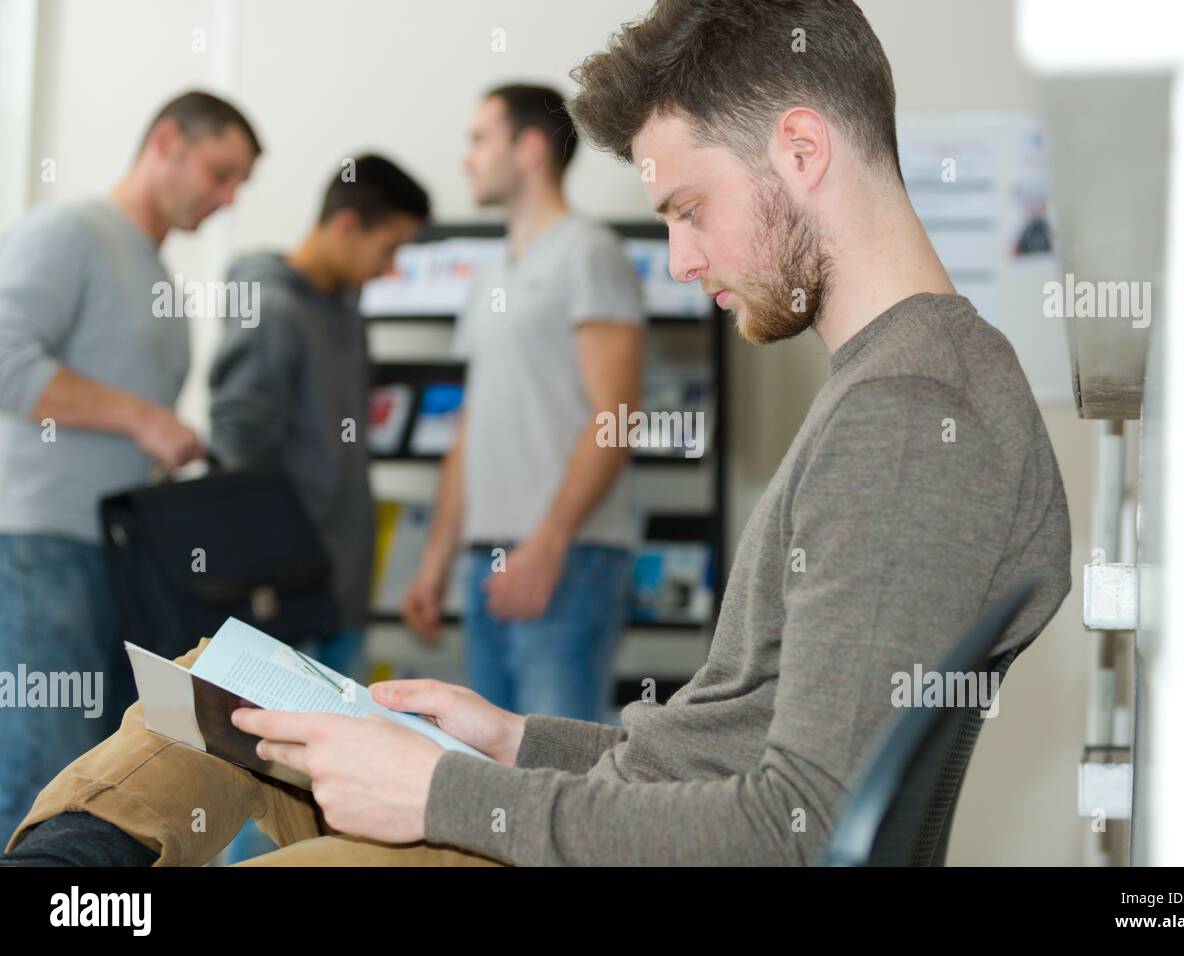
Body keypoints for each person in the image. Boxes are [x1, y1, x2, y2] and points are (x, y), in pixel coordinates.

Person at [4, 0, 1071, 867]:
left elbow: (793, 828)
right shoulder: (898, 388)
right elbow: (730, 751)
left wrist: (449, 793)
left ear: (800, 148)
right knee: (221, 683)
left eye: (689, 208)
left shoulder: (906, 418)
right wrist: (513, 741)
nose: (683, 258)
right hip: (582, 819)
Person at [0, 90, 259, 844]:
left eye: (240, 183)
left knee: (113, 776)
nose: (228, 196)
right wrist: (145, 418)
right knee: (41, 773)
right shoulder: (68, 231)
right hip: (43, 547)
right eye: (221, 172)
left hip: (118, 562)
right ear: (168, 142)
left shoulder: (156, 275)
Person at [207, 154, 431, 862]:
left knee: (325, 797)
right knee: (261, 789)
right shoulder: (271, 305)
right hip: (284, 604)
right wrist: (268, 583)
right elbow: (238, 452)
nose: (392, 267)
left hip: (341, 593)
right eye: (388, 247)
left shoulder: (346, 314)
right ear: (344, 225)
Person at [400, 84, 645, 723]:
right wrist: (434, 562)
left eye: (480, 139)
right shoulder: (491, 278)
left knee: (554, 772)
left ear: (530, 147)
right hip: (491, 561)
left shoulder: (588, 252)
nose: (466, 157)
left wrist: (549, 545)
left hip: (569, 559)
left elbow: (616, 416)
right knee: (486, 776)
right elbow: (471, 430)